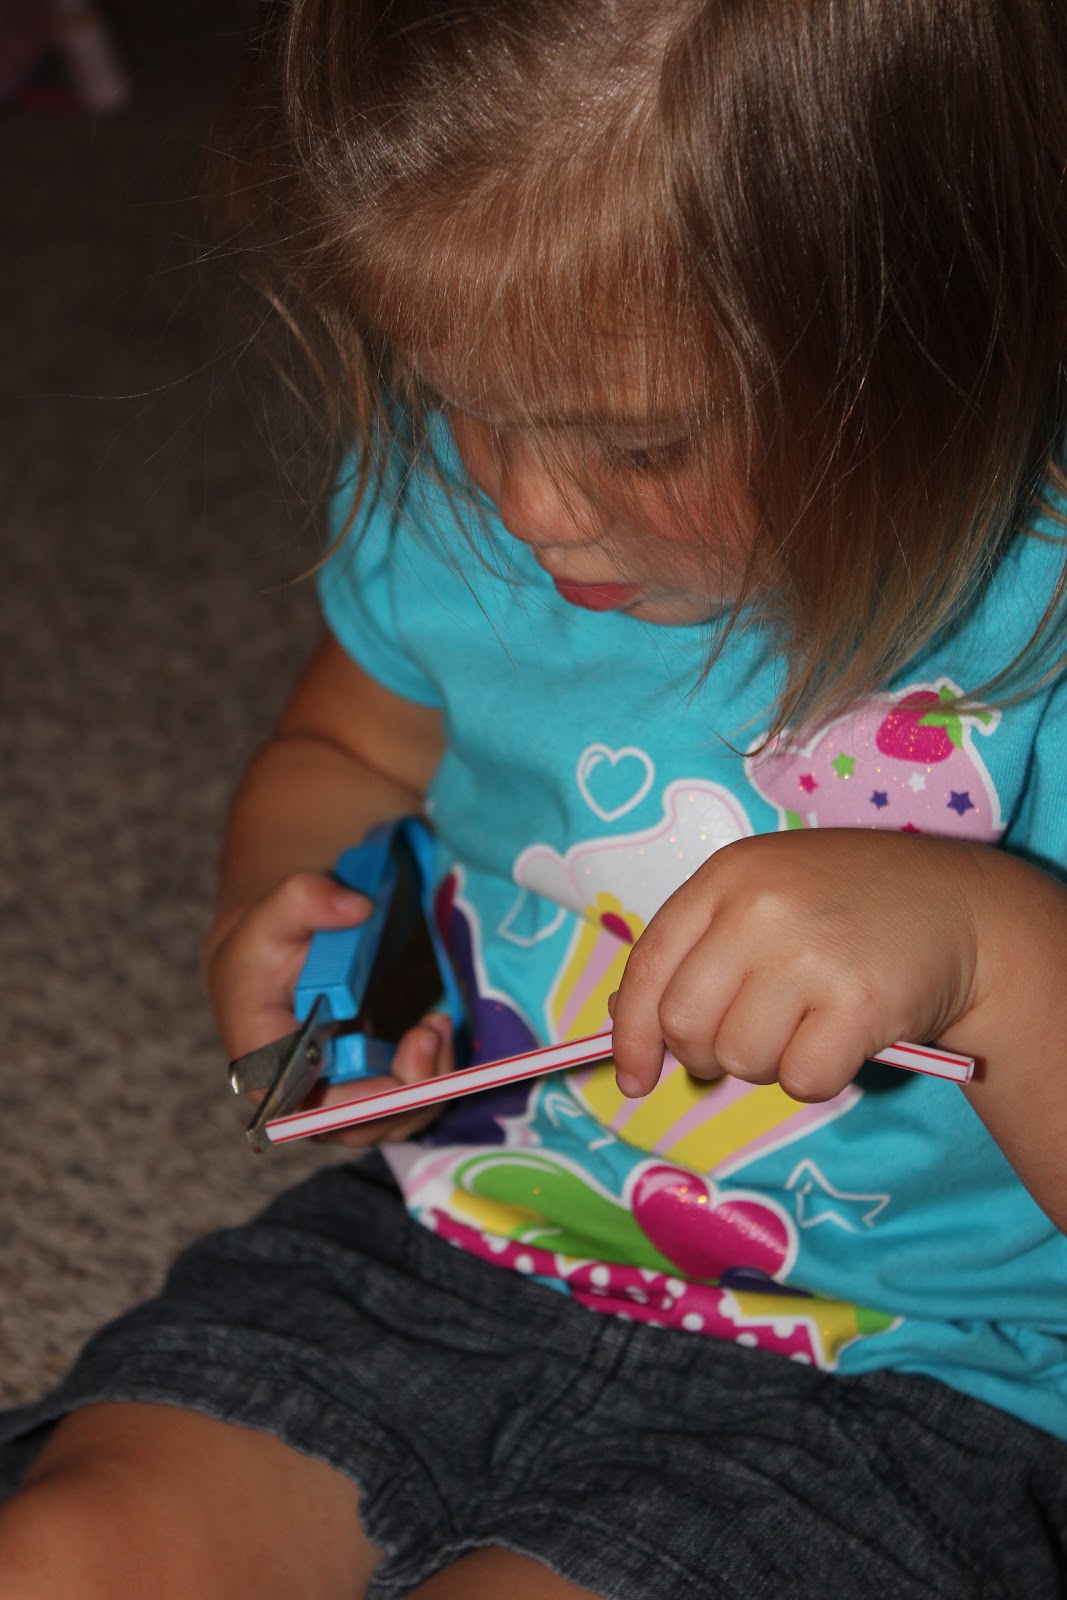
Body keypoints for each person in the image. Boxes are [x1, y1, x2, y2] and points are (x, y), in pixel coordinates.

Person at [2, 1, 1067, 1595]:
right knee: (65, 1549)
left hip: (915, 1386)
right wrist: (284, 909)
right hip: (448, 1241)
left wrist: (987, 945)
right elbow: (345, 752)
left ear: (948, 332)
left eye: (641, 444)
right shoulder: (474, 507)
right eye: (465, 397)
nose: (527, 501)